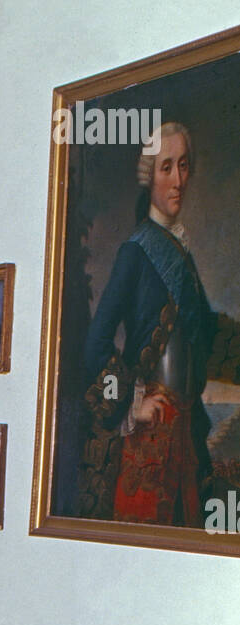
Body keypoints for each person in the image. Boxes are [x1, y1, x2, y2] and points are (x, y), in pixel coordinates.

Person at [81, 122, 240, 527]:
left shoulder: (181, 254)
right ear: (148, 176)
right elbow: (96, 342)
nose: (178, 180)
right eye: (166, 167)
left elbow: (204, 331)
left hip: (186, 430)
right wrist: (133, 403)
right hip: (149, 433)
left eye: (183, 166)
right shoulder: (136, 251)